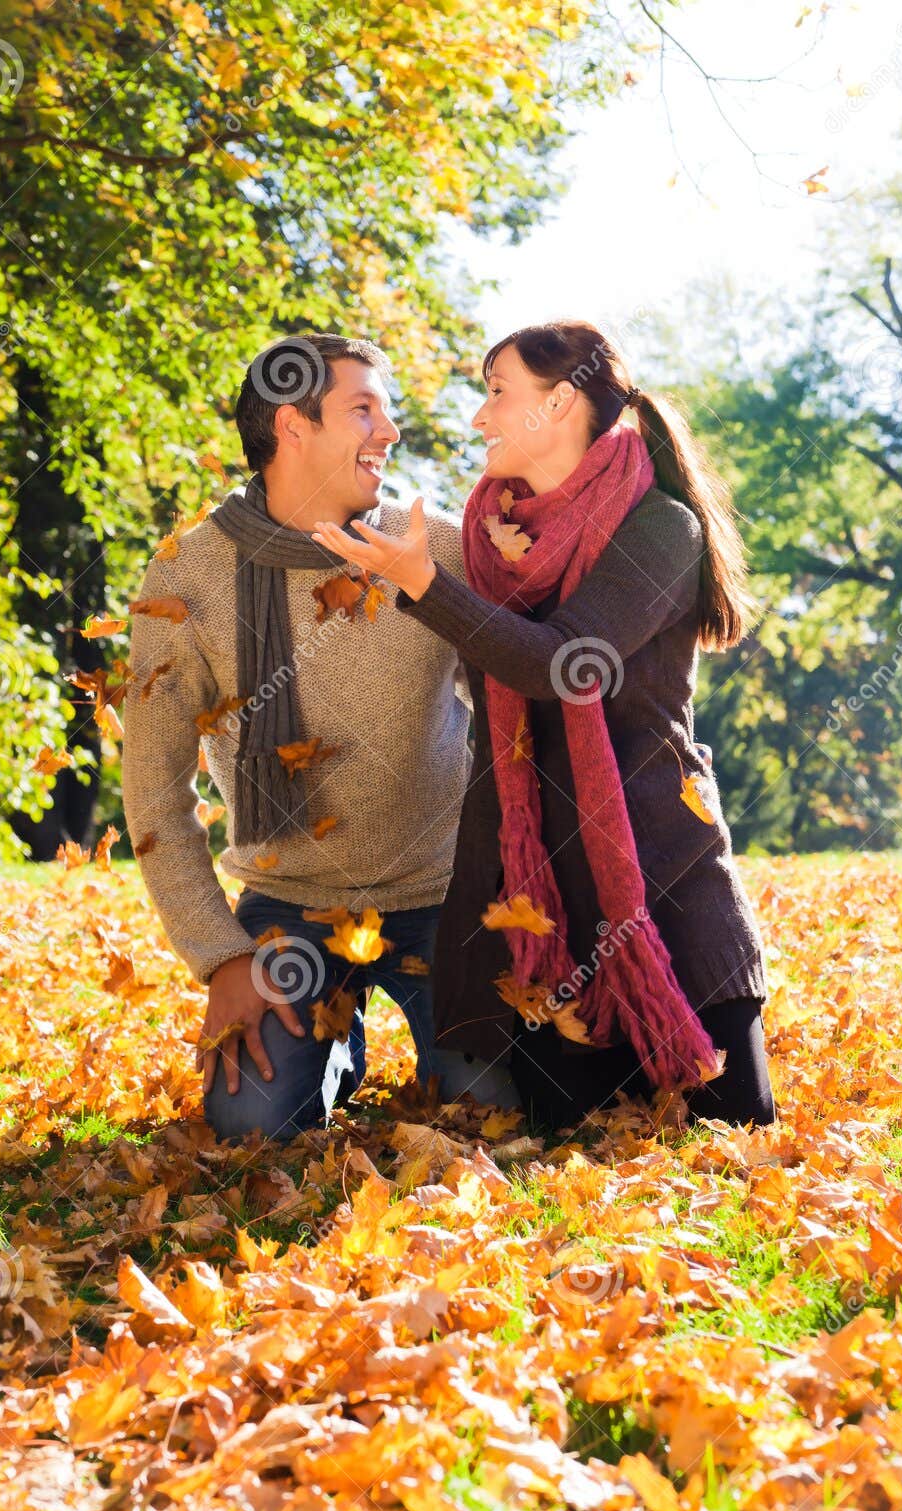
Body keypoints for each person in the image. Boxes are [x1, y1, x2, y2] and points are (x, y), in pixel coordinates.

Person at [312, 319, 776, 1132]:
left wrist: (420, 582)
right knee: (570, 1131)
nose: (479, 419)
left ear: (560, 402)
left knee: (730, 1125)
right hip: (539, 899)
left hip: (658, 860)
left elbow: (561, 664)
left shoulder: (663, 527)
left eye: (496, 393)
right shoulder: (492, 541)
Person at [121, 332, 516, 1143]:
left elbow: (515, 724)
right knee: (251, 1125)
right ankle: (330, 1047)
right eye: (362, 409)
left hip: (444, 893)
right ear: (291, 428)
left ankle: (409, 1035)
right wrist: (221, 956)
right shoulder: (186, 575)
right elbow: (154, 783)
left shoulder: (433, 549)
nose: (389, 431)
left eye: (387, 410)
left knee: (496, 1113)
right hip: (290, 898)